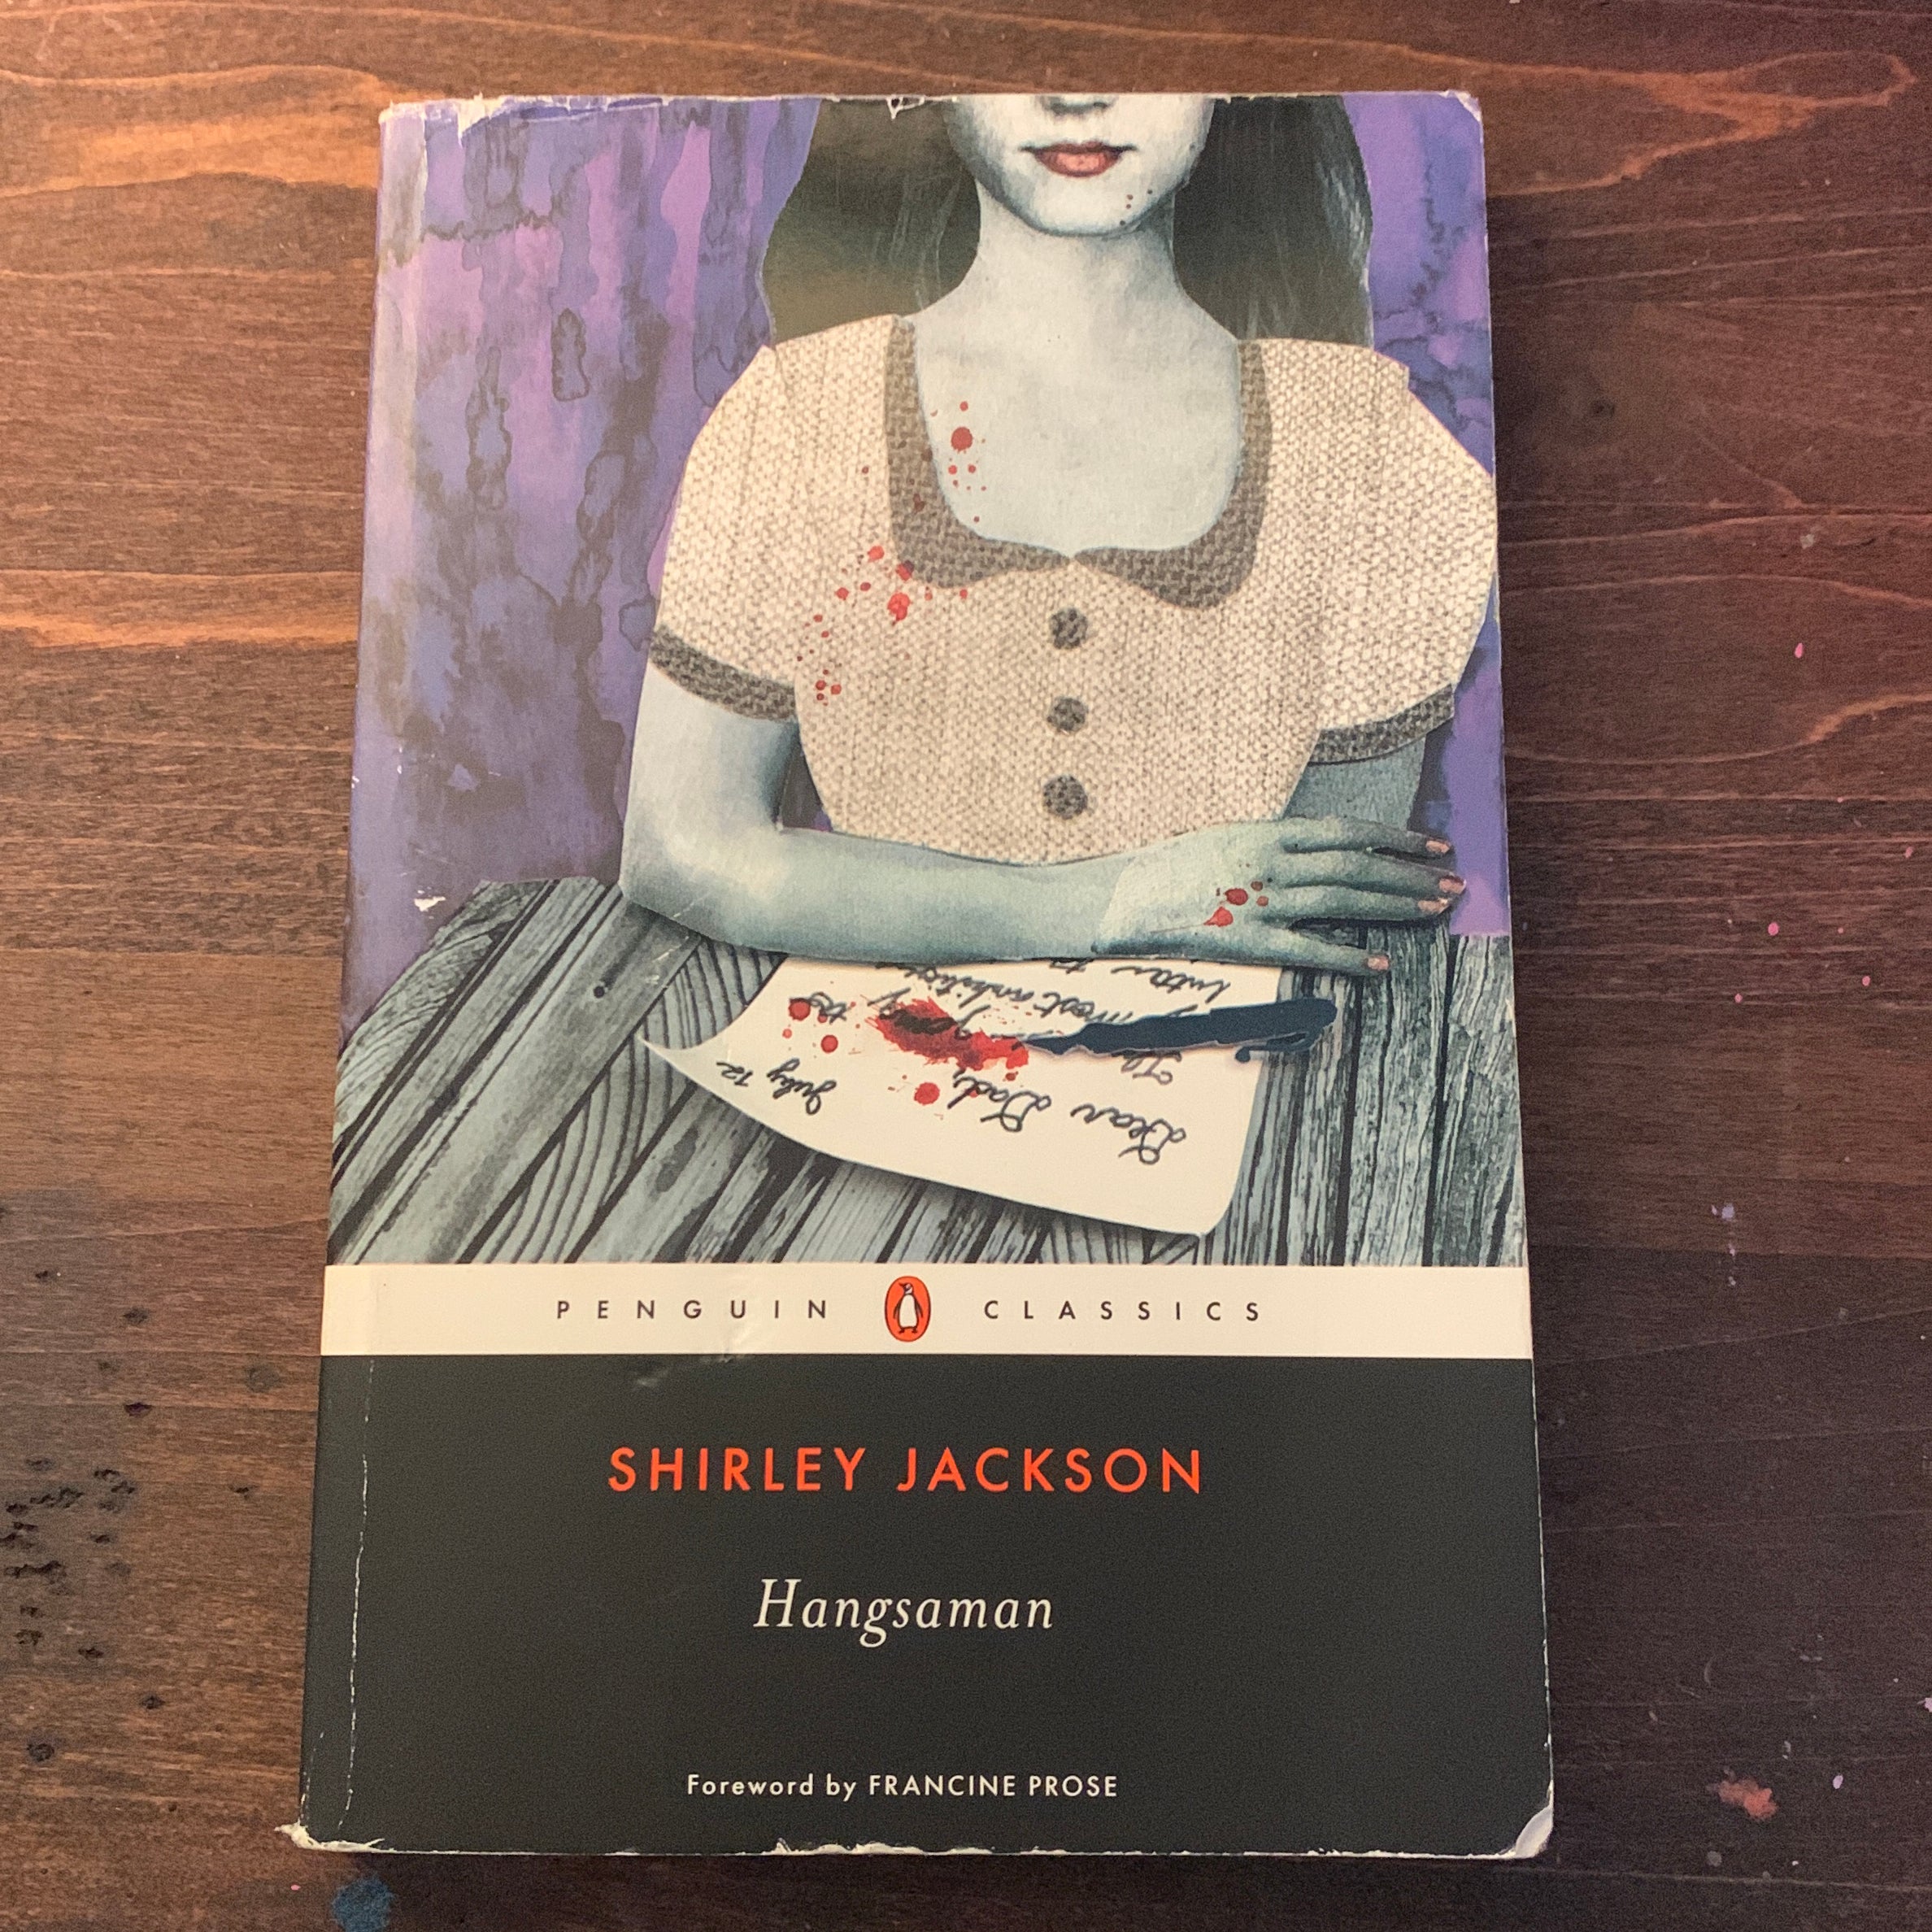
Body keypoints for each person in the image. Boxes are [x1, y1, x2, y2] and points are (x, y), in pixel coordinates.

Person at [621, 94, 1494, 977]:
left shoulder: (1367, 445)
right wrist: (1110, 903)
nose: (1077, 94)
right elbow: (679, 846)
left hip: (1240, 1054)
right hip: (862, 1045)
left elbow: (1317, 913)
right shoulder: (799, 415)